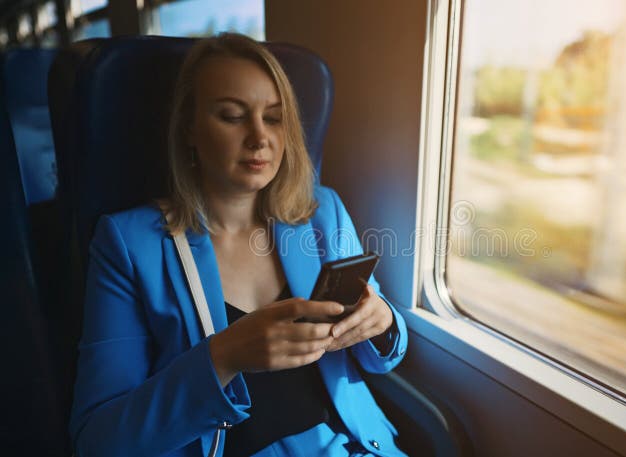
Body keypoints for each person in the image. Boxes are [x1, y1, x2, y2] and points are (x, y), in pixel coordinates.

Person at [69, 33, 408, 457]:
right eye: (232, 116)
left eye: (274, 117)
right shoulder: (129, 244)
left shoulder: (322, 213)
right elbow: (99, 440)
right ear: (189, 128)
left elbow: (381, 358)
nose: (258, 137)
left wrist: (382, 321)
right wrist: (224, 356)